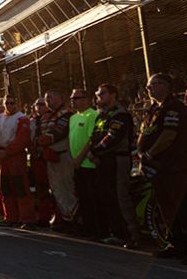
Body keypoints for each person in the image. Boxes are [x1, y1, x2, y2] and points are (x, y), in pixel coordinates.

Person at [138, 73, 187, 262]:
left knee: (184, 208)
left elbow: (168, 135)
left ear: (166, 86)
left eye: (154, 84)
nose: (149, 89)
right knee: (166, 208)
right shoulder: (153, 109)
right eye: (148, 86)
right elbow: (145, 132)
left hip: (177, 166)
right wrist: (142, 154)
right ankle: (176, 244)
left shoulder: (174, 107)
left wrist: (149, 154)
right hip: (159, 167)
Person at [87, 83, 140, 249]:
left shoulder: (120, 114)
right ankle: (117, 233)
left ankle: (132, 235)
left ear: (113, 94)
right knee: (108, 197)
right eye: (97, 94)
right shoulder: (102, 115)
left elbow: (113, 137)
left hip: (118, 159)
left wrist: (94, 152)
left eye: (102, 94)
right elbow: (95, 135)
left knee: (120, 196)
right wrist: (93, 152)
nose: (98, 97)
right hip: (104, 161)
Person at [0, 95, 37, 228]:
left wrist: (7, 151)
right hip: (2, 158)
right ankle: (10, 216)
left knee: (20, 187)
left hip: (16, 157)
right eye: (7, 103)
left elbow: (23, 138)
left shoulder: (22, 119)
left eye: (12, 103)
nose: (9, 105)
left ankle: (27, 218)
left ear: (17, 104)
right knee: (5, 189)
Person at [36, 90, 77, 232]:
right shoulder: (46, 117)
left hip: (63, 156)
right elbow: (40, 134)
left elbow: (59, 132)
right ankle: (65, 219)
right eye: (46, 99)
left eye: (51, 97)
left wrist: (44, 140)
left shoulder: (66, 114)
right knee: (56, 190)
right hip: (50, 157)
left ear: (60, 97)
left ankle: (74, 220)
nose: (48, 101)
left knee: (67, 190)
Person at [69, 88, 103, 239]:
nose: (73, 100)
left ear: (86, 99)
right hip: (77, 165)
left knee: (92, 198)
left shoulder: (93, 115)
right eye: (72, 98)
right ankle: (85, 227)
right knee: (82, 197)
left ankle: (96, 229)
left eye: (76, 98)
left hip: (88, 164)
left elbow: (91, 139)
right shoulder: (73, 118)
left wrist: (79, 158)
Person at [30, 98, 55, 226]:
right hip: (37, 158)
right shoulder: (33, 121)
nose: (39, 107)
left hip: (51, 157)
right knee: (41, 189)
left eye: (42, 104)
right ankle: (44, 217)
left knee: (55, 189)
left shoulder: (53, 118)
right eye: (37, 104)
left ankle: (60, 217)